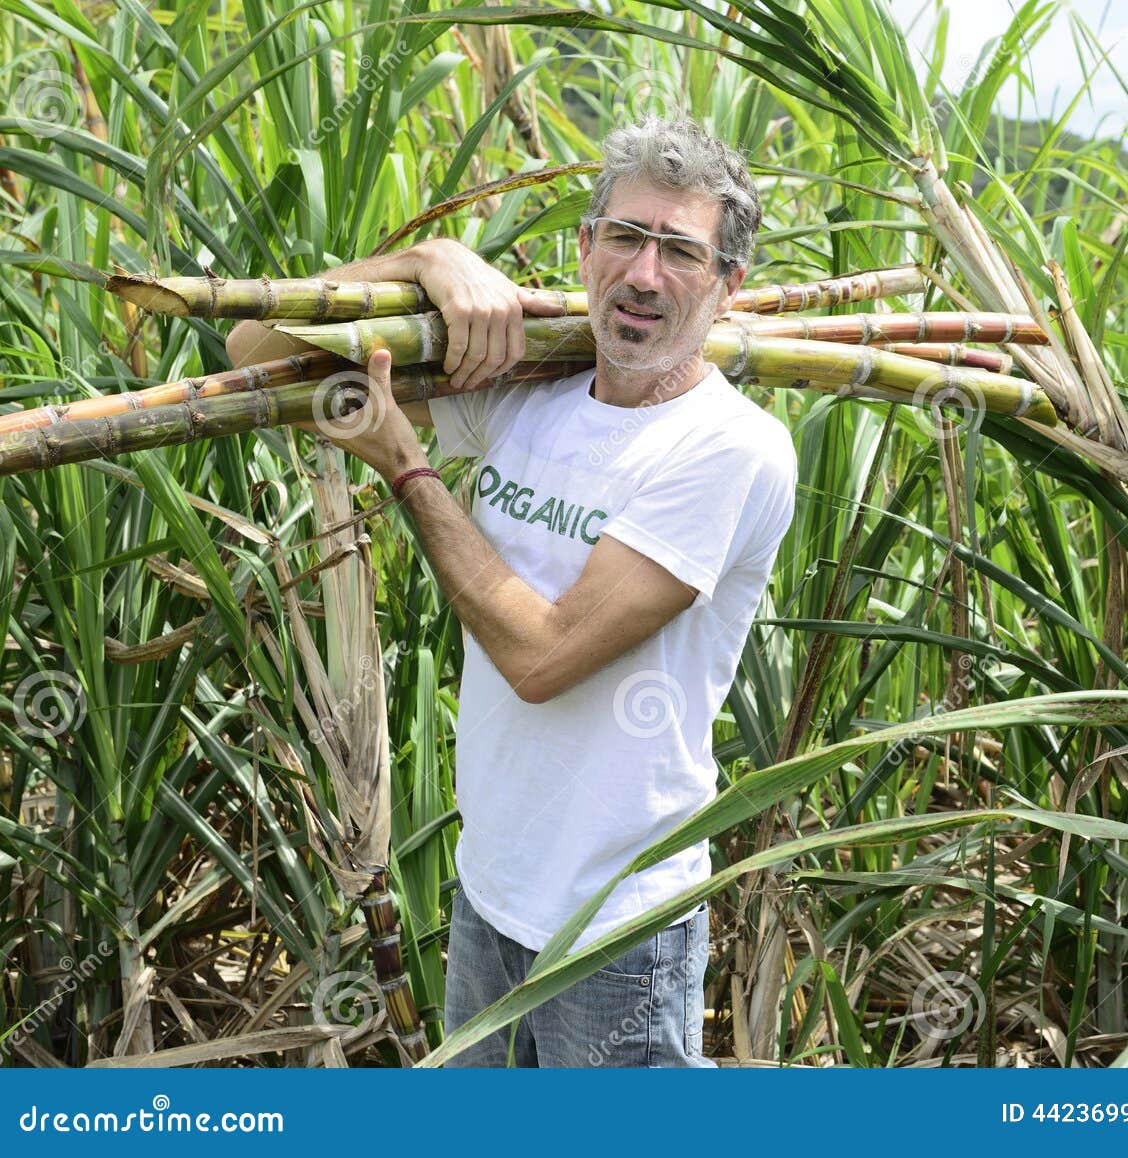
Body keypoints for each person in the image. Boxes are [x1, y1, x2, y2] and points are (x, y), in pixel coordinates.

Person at [226, 118, 797, 1067]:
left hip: (616, 929)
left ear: (726, 287)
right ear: (586, 247)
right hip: (490, 896)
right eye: (624, 237)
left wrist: (410, 471)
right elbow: (252, 354)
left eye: (681, 253)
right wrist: (426, 259)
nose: (644, 275)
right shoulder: (526, 395)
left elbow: (542, 658)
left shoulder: (727, 448)